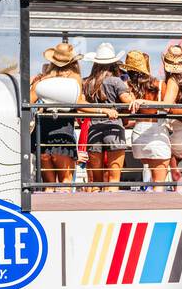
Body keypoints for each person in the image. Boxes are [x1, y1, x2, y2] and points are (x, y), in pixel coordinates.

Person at [30, 43, 117, 191]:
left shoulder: (43, 79)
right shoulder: (73, 78)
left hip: (42, 131)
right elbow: (78, 103)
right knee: (65, 182)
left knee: (48, 186)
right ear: (72, 61)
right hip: (63, 131)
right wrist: (101, 109)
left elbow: (30, 100)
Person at [130, 44, 182, 190]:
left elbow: (166, 105)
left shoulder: (173, 81)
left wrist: (144, 101)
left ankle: (178, 198)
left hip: (179, 140)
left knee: (176, 174)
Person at [81, 42, 134, 191]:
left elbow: (80, 104)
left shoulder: (86, 82)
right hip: (114, 128)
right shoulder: (117, 81)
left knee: (96, 181)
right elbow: (128, 101)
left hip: (93, 129)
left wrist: (100, 110)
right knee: (113, 178)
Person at [123, 50, 171, 188]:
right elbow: (169, 106)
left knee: (148, 175)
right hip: (157, 134)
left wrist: (141, 101)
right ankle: (156, 208)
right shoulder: (160, 85)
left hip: (138, 134)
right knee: (159, 183)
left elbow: (127, 116)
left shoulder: (129, 87)